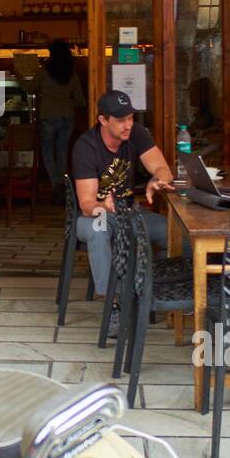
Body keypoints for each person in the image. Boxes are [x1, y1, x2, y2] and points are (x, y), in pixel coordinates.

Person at [71, 90, 175, 323]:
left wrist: (157, 178)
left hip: (130, 212)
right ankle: (114, 304)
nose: (128, 125)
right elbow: (87, 204)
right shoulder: (86, 146)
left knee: (176, 234)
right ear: (103, 120)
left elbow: (163, 168)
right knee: (99, 230)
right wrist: (103, 205)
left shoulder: (137, 133)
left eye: (130, 118)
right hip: (96, 215)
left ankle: (155, 290)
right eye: (120, 120)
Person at [21, 39, 86, 203]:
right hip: (67, 117)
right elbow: (80, 101)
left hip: (48, 116)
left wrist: (18, 76)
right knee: (62, 153)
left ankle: (56, 186)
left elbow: (29, 88)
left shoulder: (44, 72)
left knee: (48, 154)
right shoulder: (72, 74)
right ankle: (63, 187)